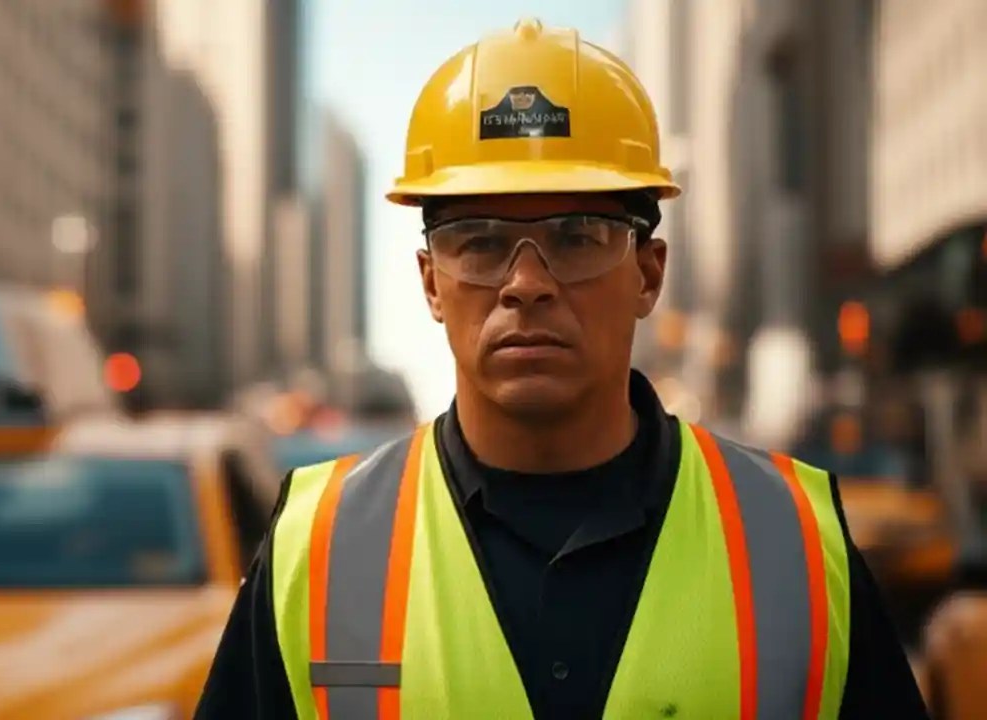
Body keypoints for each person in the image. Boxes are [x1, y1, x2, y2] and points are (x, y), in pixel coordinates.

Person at [196, 18, 929, 719]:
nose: (526, 283)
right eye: (480, 241)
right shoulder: (316, 548)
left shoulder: (796, 542)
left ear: (649, 273)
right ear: (430, 283)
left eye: (577, 236)